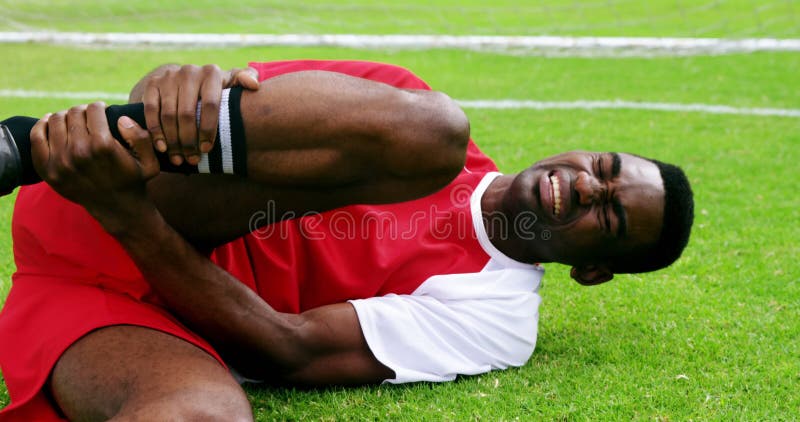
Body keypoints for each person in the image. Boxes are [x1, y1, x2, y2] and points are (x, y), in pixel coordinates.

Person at [0, 60, 694, 421]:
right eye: (603, 168)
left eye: (609, 216)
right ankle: (18, 147)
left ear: (594, 270)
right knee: (435, 134)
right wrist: (171, 90)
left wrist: (127, 217)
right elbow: (197, 104)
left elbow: (289, 350)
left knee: (207, 417)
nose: (586, 186)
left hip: (130, 320)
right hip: (96, 193)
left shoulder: (499, 316)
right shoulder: (406, 106)